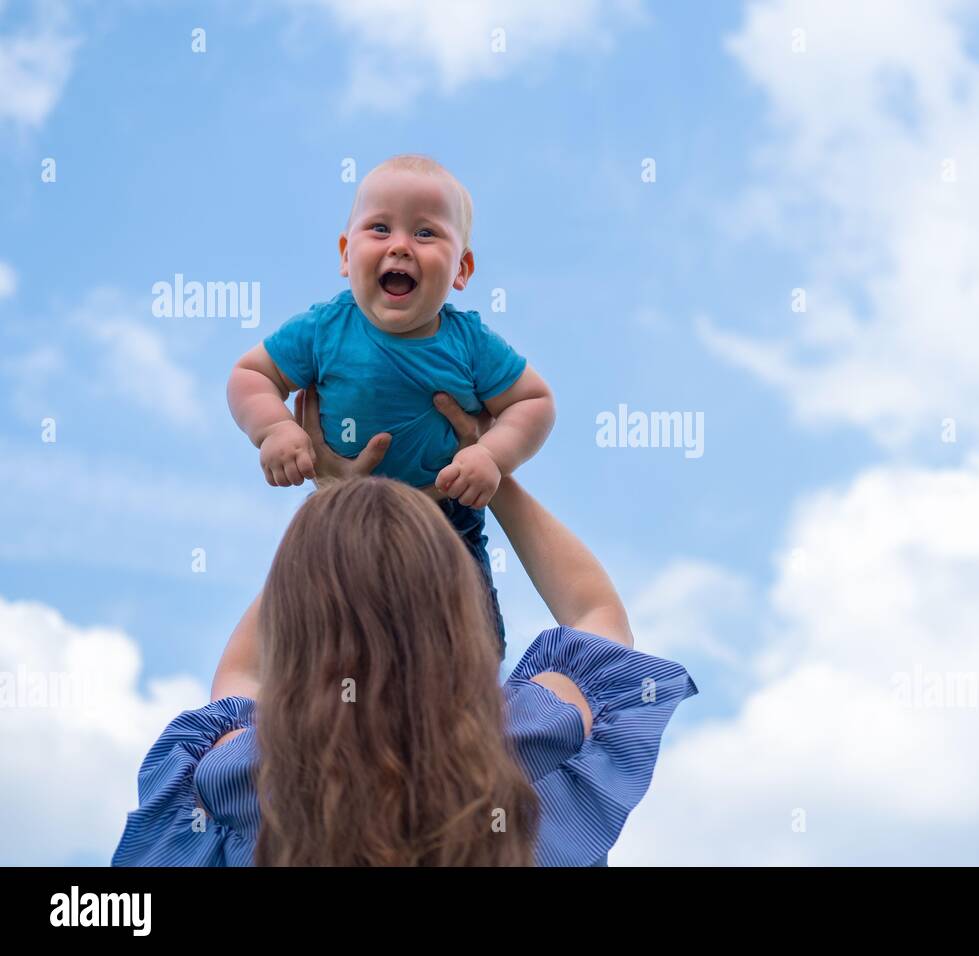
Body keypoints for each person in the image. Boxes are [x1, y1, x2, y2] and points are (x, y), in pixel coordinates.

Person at [111, 390, 696, 866]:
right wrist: (489, 470)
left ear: (296, 626)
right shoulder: (534, 732)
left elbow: (240, 674)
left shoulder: (236, 774)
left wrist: (333, 513)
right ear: (461, 618)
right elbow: (596, 615)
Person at [227, 154, 556, 653]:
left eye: (426, 234)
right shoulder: (324, 329)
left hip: (446, 518)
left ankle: (462, 707)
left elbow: (534, 401)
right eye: (379, 229)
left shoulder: (470, 344)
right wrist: (274, 429)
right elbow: (251, 375)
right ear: (344, 254)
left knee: (468, 641)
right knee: (324, 639)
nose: (400, 245)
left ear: (462, 268)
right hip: (344, 516)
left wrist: (490, 455)